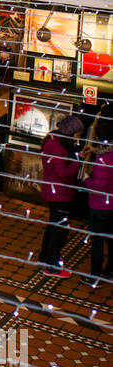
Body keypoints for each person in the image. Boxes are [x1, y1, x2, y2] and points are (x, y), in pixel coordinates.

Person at [38, 113, 84, 276]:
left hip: (53, 192)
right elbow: (63, 173)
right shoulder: (57, 147)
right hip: (59, 194)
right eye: (77, 134)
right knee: (60, 231)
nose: (78, 137)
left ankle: (45, 258)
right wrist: (79, 161)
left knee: (53, 226)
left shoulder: (53, 141)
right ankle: (52, 266)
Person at [81, 119, 113, 288]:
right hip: (111, 206)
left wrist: (86, 179)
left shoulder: (102, 161)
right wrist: (94, 150)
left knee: (97, 242)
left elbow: (99, 187)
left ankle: (95, 277)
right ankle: (110, 271)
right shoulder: (109, 154)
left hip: (99, 206)